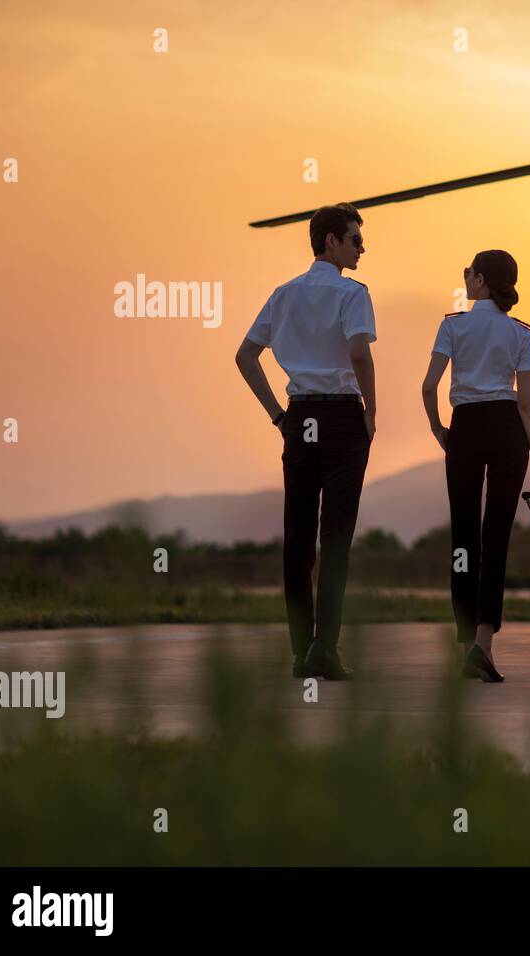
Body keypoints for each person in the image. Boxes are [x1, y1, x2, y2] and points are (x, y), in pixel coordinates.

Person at [235, 202, 377, 681]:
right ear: (331, 241)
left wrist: (278, 415)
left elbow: (246, 356)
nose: (362, 247)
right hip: (341, 417)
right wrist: (371, 410)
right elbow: (358, 351)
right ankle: (326, 649)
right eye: (356, 239)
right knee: (335, 538)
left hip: (300, 419)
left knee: (297, 539)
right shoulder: (353, 293)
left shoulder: (283, 294)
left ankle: (300, 653)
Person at [421, 249, 530, 682]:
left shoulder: (452, 325)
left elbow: (428, 385)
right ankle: (483, 644)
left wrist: (439, 430)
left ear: (480, 281)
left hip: (466, 429)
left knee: (463, 538)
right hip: (508, 430)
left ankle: (463, 640)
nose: (465, 278)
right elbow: (527, 404)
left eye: (469, 272)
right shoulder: (520, 333)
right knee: (496, 540)